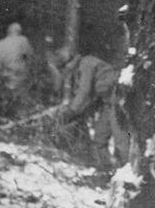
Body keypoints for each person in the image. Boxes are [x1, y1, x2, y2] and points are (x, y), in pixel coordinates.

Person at [49, 41, 128, 171]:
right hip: (107, 102)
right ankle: (106, 171)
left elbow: (84, 92)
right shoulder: (80, 70)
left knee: (121, 140)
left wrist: (71, 111)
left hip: (118, 99)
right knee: (99, 138)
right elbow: (90, 95)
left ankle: (127, 175)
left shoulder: (86, 64)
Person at [0, 21, 34, 95]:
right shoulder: (23, 40)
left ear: (8, 32)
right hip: (20, 74)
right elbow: (30, 57)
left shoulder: (0, 43)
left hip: (6, 75)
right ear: (19, 32)